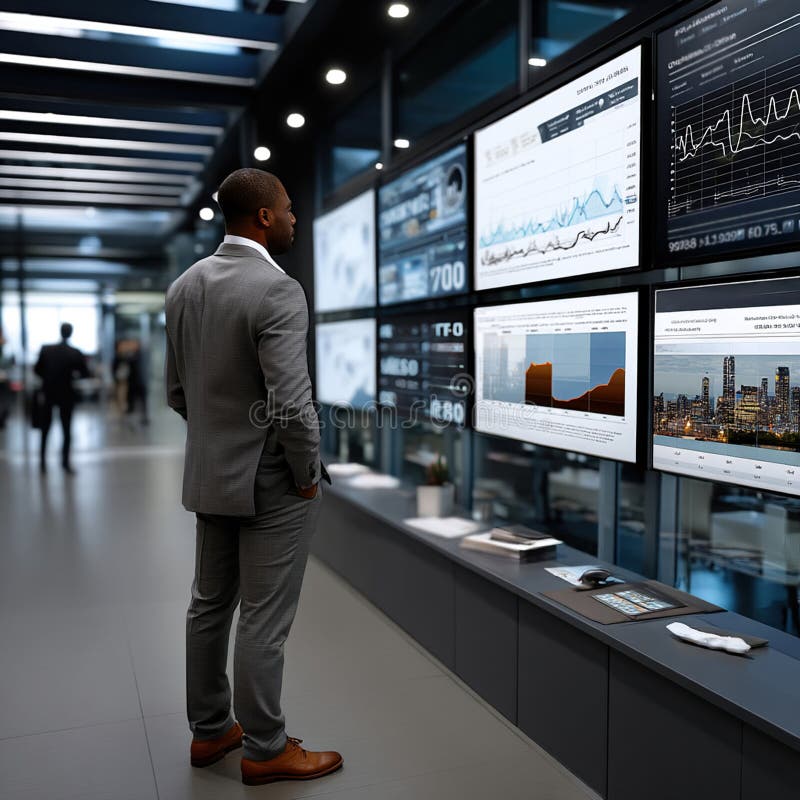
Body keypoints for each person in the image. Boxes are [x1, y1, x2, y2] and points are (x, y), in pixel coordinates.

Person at [164, 168, 340, 786]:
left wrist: (220, 441)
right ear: (264, 217)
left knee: (208, 606)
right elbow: (291, 405)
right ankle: (266, 749)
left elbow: (177, 393)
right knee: (264, 618)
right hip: (271, 483)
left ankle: (211, 730)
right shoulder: (277, 289)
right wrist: (306, 472)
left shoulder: (184, 286)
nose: (293, 217)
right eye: (288, 208)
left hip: (211, 474)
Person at [34, 322, 89, 474]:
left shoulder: (46, 349)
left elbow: (37, 370)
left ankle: (42, 463)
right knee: (66, 429)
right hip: (66, 394)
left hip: (49, 392)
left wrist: (49, 378)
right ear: (70, 333)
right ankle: (65, 463)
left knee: (45, 429)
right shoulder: (75, 352)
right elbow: (84, 373)